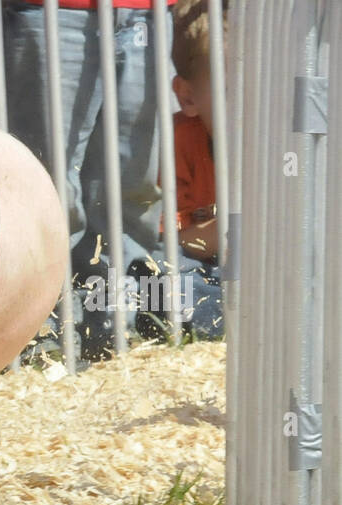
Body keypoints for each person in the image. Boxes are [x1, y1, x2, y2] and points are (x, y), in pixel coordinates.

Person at [3, 0, 176, 362]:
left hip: (147, 12)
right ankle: (45, 336)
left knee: (132, 190)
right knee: (47, 191)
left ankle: (120, 330)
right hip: (53, 12)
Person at [137, 0, 222, 342]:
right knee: (157, 276)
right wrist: (226, 233)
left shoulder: (292, 147)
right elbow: (168, 239)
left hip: (262, 268)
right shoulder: (175, 142)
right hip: (197, 263)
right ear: (187, 95)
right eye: (230, 92)